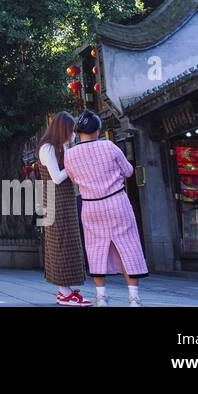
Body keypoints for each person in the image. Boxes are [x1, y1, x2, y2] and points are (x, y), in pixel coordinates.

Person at [63, 111, 148, 307]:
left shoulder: (70, 154)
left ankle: (101, 296)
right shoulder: (108, 146)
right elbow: (128, 171)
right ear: (98, 129)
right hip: (115, 201)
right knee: (127, 245)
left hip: (91, 205)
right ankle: (133, 297)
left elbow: (74, 180)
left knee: (96, 248)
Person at [37, 112, 91, 306]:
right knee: (59, 243)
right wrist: (72, 160)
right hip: (54, 200)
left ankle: (65, 291)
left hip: (66, 200)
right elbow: (57, 177)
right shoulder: (48, 148)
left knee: (69, 243)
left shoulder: (59, 147)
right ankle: (64, 292)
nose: (74, 135)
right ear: (63, 130)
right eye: (71, 131)